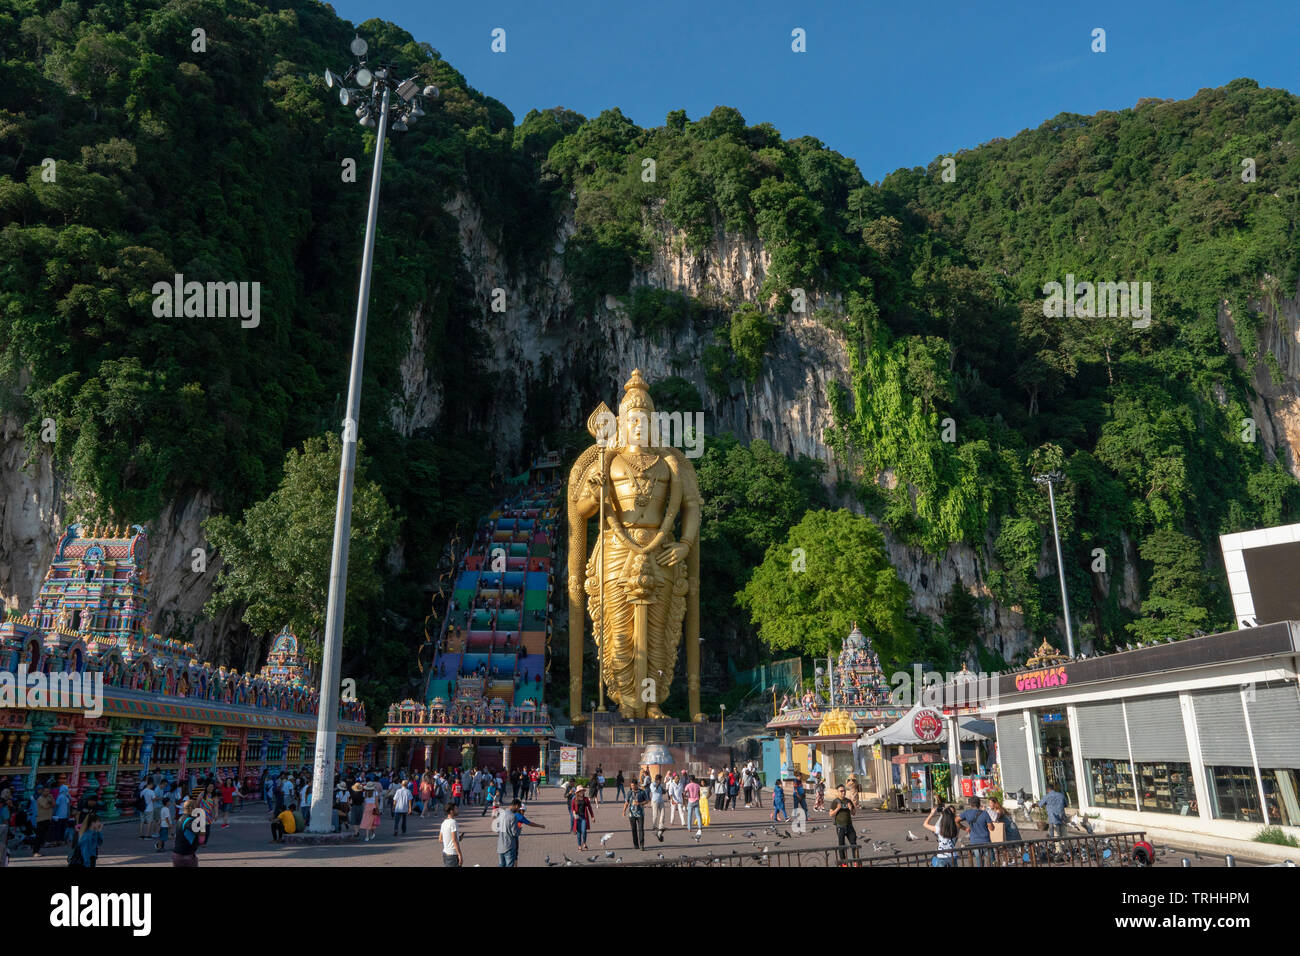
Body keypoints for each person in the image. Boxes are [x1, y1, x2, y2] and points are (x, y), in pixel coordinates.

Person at [497, 798, 543, 867]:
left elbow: (497, 829)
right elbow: (515, 833)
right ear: (516, 806)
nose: (518, 809)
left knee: (501, 865)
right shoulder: (513, 817)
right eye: (518, 807)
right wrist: (519, 829)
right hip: (509, 845)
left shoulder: (501, 814)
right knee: (509, 864)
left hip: (500, 845)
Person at [828, 784, 858, 865]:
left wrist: (851, 808)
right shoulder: (835, 802)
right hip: (840, 827)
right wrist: (837, 808)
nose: (843, 792)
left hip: (849, 826)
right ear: (837, 792)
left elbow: (854, 813)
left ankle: (856, 862)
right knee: (841, 845)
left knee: (854, 843)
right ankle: (843, 863)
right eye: (841, 791)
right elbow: (830, 814)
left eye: (844, 790)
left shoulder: (848, 801)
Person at [959, 796, 993, 867]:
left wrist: (965, 828)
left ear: (970, 804)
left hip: (974, 841)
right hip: (985, 841)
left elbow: (956, 820)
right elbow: (991, 828)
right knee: (991, 861)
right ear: (979, 804)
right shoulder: (984, 813)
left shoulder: (966, 813)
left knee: (979, 862)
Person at [923, 800, 959, 867]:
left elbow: (925, 824)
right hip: (952, 855)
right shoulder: (955, 827)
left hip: (941, 856)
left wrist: (931, 814)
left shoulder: (939, 829)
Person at [172, 800, 201, 866]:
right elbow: (200, 834)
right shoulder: (190, 821)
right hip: (186, 855)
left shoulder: (181, 818)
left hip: (177, 853)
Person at [623, 778, 648, 850]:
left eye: (633, 785)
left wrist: (639, 803)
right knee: (633, 829)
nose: (632, 787)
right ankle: (636, 844)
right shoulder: (629, 793)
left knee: (641, 829)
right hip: (631, 815)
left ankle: (642, 845)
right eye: (631, 786)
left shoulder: (642, 792)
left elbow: (647, 801)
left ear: (637, 785)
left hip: (640, 814)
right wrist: (624, 811)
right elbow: (627, 802)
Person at [31, 785, 54, 858]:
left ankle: (38, 850)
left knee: (43, 836)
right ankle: (35, 851)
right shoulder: (40, 798)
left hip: (48, 819)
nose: (47, 793)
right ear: (42, 791)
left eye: (48, 791)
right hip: (41, 820)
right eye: (46, 791)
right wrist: (50, 802)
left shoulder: (49, 798)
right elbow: (45, 806)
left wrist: (52, 798)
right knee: (39, 836)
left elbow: (54, 804)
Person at [571, 784, 594, 850]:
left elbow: (589, 808)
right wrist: (574, 812)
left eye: (582, 791)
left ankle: (584, 842)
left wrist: (592, 816)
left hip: (584, 817)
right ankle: (579, 845)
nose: (582, 792)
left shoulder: (586, 799)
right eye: (580, 791)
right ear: (578, 792)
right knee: (579, 832)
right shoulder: (574, 799)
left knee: (584, 831)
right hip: (577, 818)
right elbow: (572, 808)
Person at [648, 774, 669, 842]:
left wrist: (665, 790)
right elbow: (654, 790)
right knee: (655, 815)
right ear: (656, 779)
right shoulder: (652, 784)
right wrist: (658, 784)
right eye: (659, 779)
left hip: (661, 801)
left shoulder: (660, 785)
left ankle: (661, 826)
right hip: (655, 801)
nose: (660, 781)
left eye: (661, 779)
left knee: (663, 814)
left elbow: (662, 792)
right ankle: (654, 826)